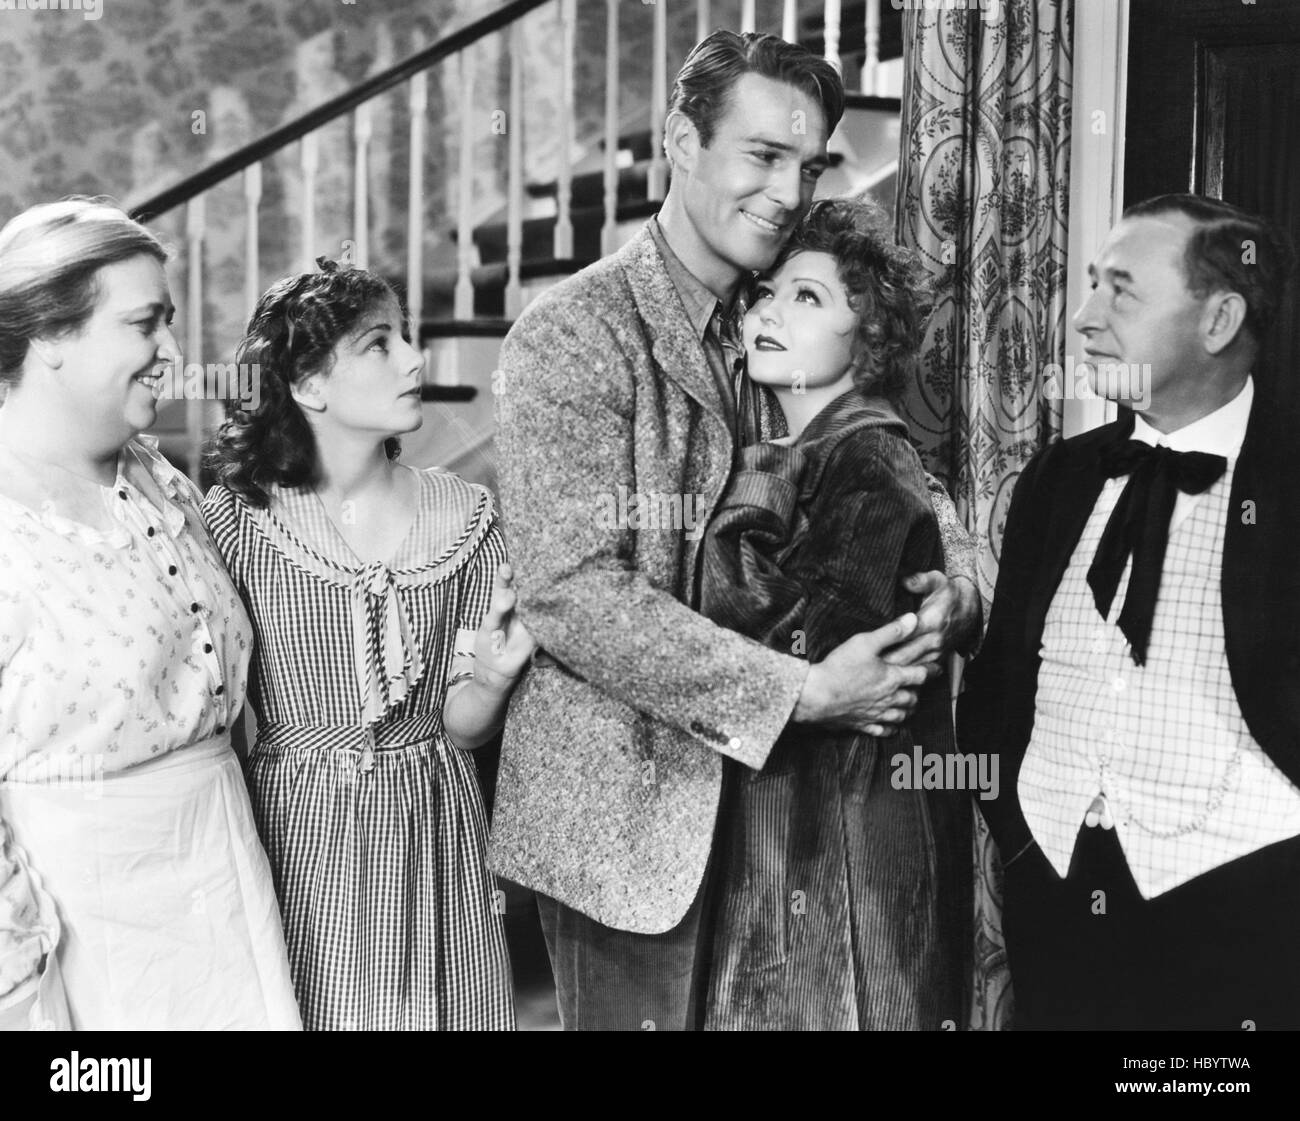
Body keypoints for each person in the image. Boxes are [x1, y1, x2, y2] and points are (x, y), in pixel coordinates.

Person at [490, 31, 981, 1031]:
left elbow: (896, 467)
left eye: (806, 166)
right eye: (761, 156)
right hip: (628, 827)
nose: (786, 190)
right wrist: (798, 690)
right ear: (680, 139)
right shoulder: (572, 332)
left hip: (784, 826)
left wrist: (962, 581)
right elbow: (572, 589)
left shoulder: (784, 322)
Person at [958, 194, 1300, 1030]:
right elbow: (1005, 679)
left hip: (1242, 901)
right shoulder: (1059, 476)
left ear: (1219, 317)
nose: (1083, 318)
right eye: (1089, 286)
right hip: (1057, 888)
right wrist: (1023, 836)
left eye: (1121, 290)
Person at [202, 261, 531, 1031]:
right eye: (379, 344)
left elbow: (461, 726)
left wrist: (490, 681)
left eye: (408, 338)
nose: (416, 359)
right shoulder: (238, 522)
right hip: (300, 833)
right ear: (308, 384)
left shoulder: (468, 514)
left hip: (435, 824)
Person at [0, 199, 300, 1030]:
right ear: (51, 337)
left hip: (226, 875)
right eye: (145, 324)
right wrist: (25, 995)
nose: (172, 353)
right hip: (93, 933)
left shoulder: (160, 480)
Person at [699, 198, 972, 1030]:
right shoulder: (810, 449)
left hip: (848, 845)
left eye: (809, 297)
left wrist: (752, 484)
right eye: (767, 294)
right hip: (805, 833)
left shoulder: (869, 460)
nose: (772, 312)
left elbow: (793, 643)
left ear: (872, 338)